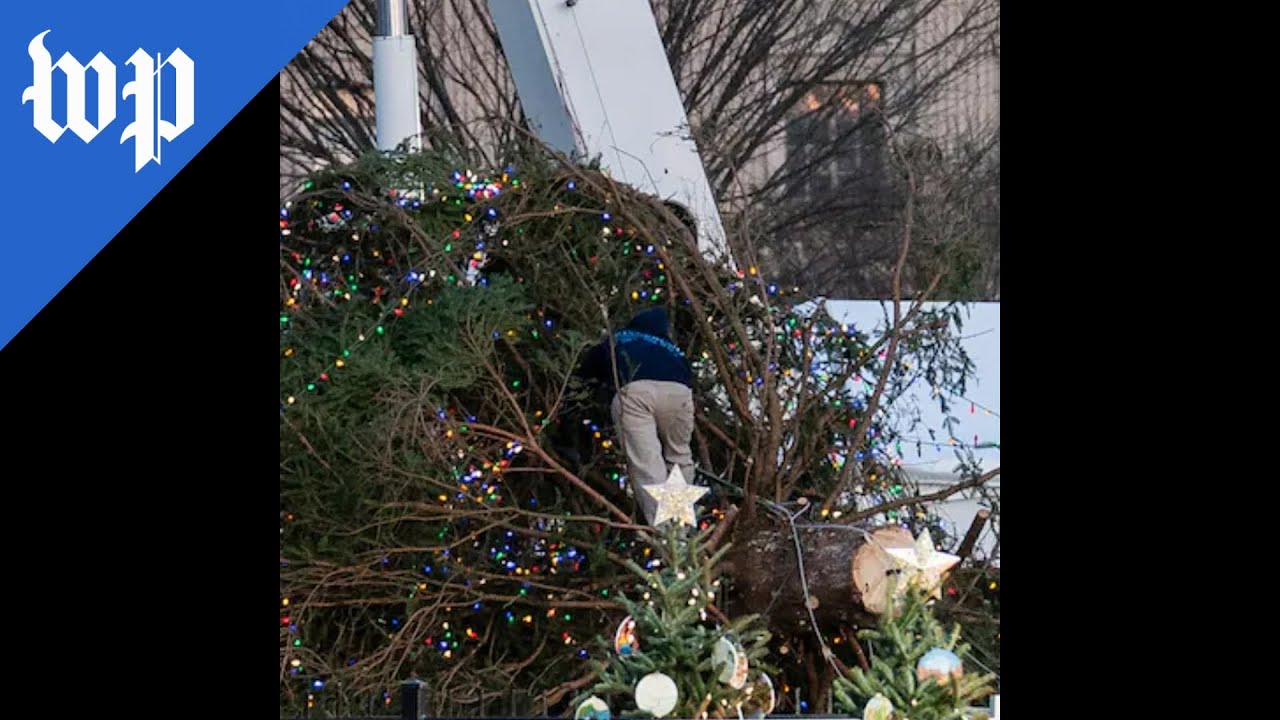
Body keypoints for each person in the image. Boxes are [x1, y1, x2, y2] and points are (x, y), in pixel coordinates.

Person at [578, 308, 695, 525]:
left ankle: (667, 536)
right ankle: (681, 526)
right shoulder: (673, 349)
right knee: (679, 457)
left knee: (648, 465)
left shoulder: (622, 337)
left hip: (636, 393)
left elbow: (587, 368)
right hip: (680, 393)